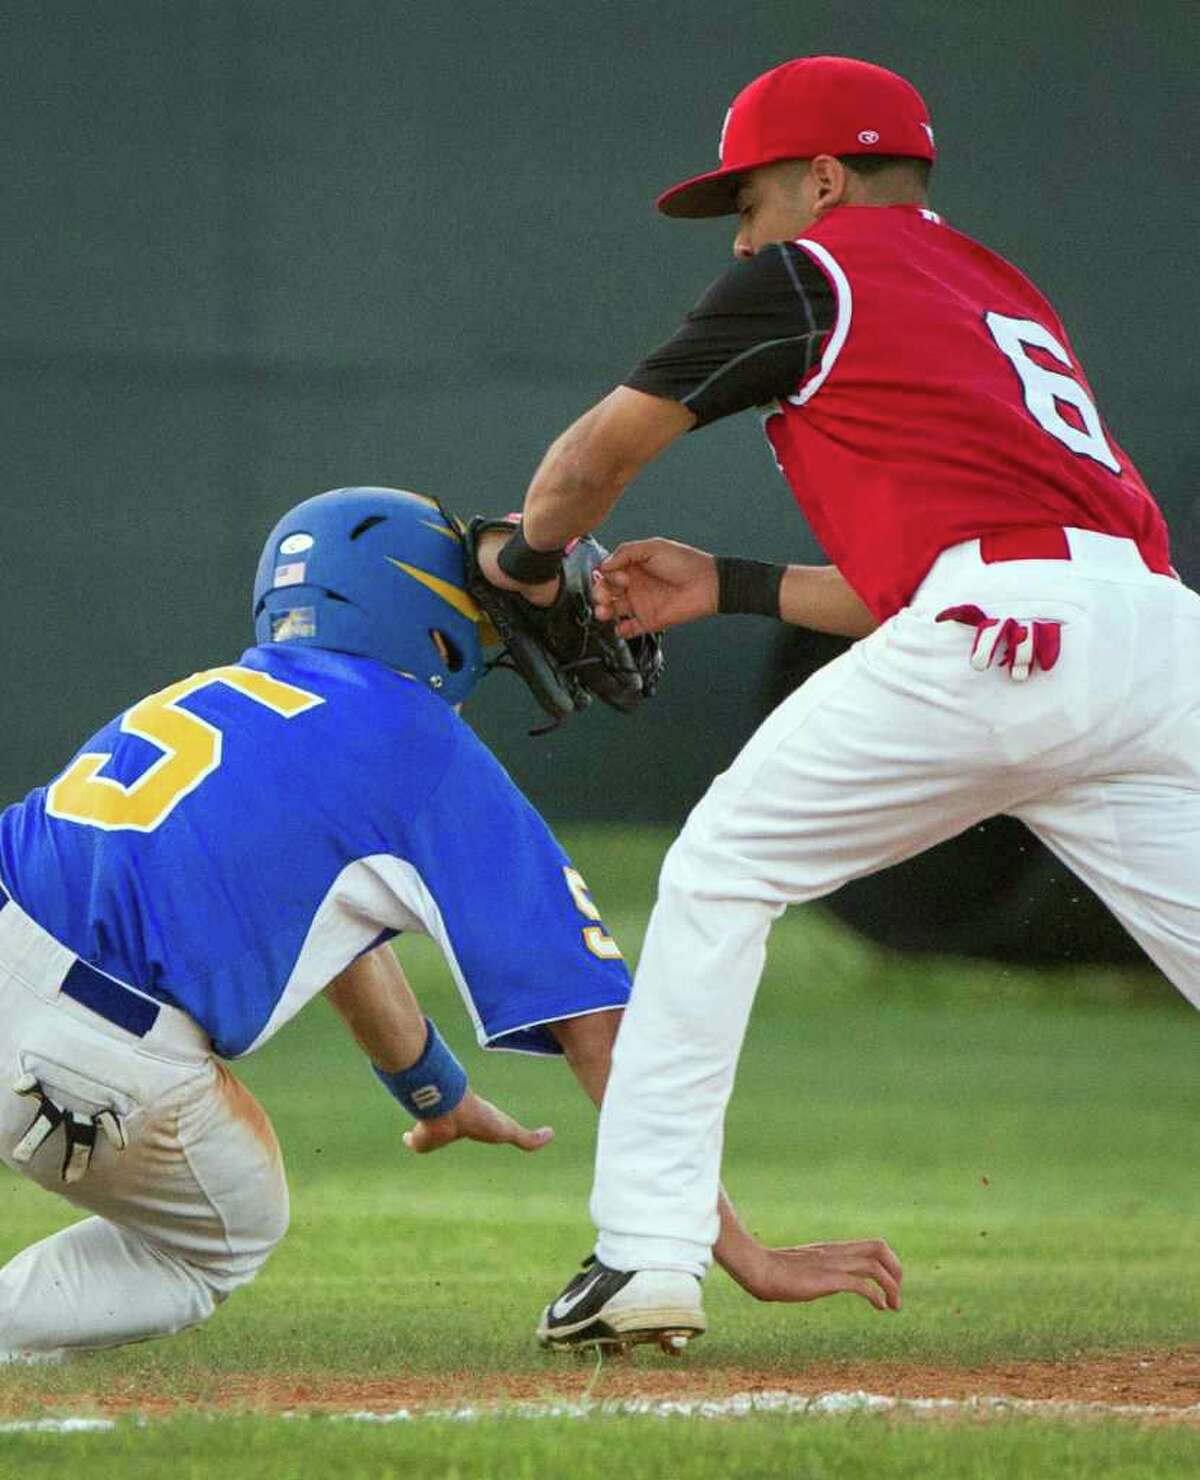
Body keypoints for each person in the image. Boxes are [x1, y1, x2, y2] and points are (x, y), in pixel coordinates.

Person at [468, 56, 1200, 1349]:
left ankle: (646, 1252)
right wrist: (735, 583)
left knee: (718, 874)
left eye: (747, 200)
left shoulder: (813, 272)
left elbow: (597, 456)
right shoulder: (994, 290)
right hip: (1149, 637)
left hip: (1012, 639)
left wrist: (524, 562)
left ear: (820, 177)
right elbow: (950, 570)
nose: (740, 234)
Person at [0, 485, 899, 1362]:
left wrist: (434, 1088)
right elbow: (600, 1027)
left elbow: (335, 932)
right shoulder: (418, 742)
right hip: (91, 1049)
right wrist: (739, 1250)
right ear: (413, 602)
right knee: (220, 1239)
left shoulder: (217, 693)